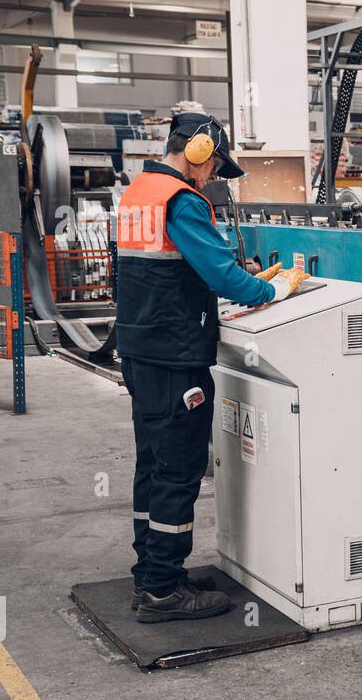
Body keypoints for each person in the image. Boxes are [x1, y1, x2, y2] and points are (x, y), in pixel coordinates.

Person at [115, 112, 307, 623]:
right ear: (198, 151)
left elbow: (178, 269)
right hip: (175, 357)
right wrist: (273, 289)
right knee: (178, 470)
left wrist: (235, 274)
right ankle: (162, 592)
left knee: (152, 467)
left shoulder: (140, 193)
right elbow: (221, 277)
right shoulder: (181, 199)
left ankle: (153, 574)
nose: (214, 178)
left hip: (140, 349)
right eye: (216, 166)